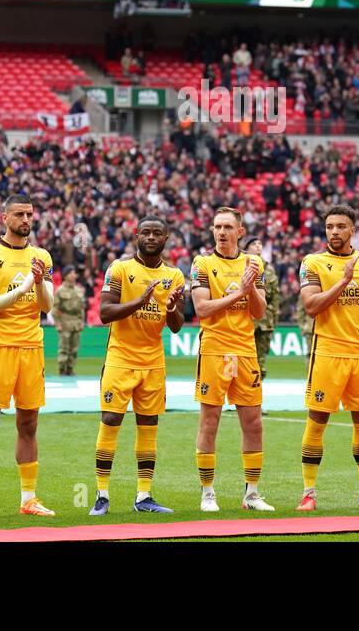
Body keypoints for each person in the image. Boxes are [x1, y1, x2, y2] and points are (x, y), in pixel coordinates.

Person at [296, 203, 359, 512]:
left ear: (353, 230)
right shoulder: (312, 262)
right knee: (318, 420)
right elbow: (311, 306)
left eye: (341, 226)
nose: (335, 232)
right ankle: (308, 493)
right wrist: (342, 281)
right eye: (330, 227)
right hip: (327, 352)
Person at [0, 193, 56, 520]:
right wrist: (23, 287)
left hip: (32, 347)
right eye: (19, 214)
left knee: (29, 423)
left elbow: (48, 306)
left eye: (30, 214)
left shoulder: (41, 255)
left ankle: (29, 499)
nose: (26, 220)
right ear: (4, 217)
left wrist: (39, 281)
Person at [91, 216, 186, 515]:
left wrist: (171, 309)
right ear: (136, 236)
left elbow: (176, 326)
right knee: (110, 421)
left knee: (149, 425)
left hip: (153, 361)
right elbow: (105, 312)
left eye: (157, 233)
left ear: (166, 238)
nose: (150, 237)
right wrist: (141, 300)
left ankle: (143, 496)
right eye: (145, 232)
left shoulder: (175, 275)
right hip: (120, 358)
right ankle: (101, 495)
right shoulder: (119, 268)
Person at [191, 206, 273, 512]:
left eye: (227, 227)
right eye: (217, 227)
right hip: (214, 348)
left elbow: (260, 312)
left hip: (245, 350)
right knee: (209, 421)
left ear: (240, 232)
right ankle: (208, 493)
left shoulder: (254, 263)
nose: (221, 232)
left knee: (253, 424)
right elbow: (202, 309)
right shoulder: (202, 264)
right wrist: (239, 292)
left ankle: (251, 494)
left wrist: (249, 288)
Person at [248, 238, 279, 380]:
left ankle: (256, 388)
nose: (258, 246)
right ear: (247, 248)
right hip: (246, 319)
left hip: (265, 320)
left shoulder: (269, 268)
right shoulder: (240, 264)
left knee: (260, 358)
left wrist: (274, 319)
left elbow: (274, 296)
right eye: (254, 244)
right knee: (243, 356)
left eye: (260, 244)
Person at [52, 267, 86, 376]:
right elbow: (55, 308)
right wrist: (58, 323)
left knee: (74, 348)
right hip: (65, 321)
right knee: (64, 348)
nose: (73, 275)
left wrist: (81, 321)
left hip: (76, 321)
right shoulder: (60, 290)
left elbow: (81, 308)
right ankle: (62, 370)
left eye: (74, 273)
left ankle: (70, 369)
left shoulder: (78, 290)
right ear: (65, 275)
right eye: (70, 273)